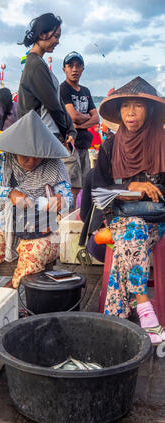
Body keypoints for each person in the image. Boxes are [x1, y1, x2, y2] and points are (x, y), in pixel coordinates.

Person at [0, 110, 73, 289]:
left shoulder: (54, 165)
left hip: (41, 230)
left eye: (37, 155)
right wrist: (8, 193)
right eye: (25, 155)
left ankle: (11, 292)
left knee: (35, 251)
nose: (31, 160)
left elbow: (67, 196)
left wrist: (60, 200)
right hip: (3, 228)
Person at [92, 76, 165, 344]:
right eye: (125, 106)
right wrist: (132, 187)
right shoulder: (110, 145)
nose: (131, 113)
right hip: (121, 218)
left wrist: (151, 189)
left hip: (157, 220)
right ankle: (144, 307)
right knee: (131, 230)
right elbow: (98, 190)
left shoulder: (162, 141)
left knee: (130, 238)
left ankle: (116, 321)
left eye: (138, 106)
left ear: (150, 110)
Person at [16, 13, 76, 148]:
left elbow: (58, 101)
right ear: (43, 34)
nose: (58, 41)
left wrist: (71, 129)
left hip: (47, 136)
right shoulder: (35, 64)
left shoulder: (39, 63)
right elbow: (53, 105)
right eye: (56, 36)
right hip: (41, 138)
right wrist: (65, 133)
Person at [60, 51, 100, 209]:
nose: (74, 69)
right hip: (70, 144)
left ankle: (79, 215)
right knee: (72, 184)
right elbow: (72, 116)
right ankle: (70, 215)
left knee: (84, 183)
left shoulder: (85, 91)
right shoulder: (63, 89)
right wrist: (84, 119)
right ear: (64, 69)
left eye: (78, 66)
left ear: (83, 69)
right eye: (70, 65)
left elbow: (97, 118)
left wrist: (79, 124)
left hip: (84, 143)